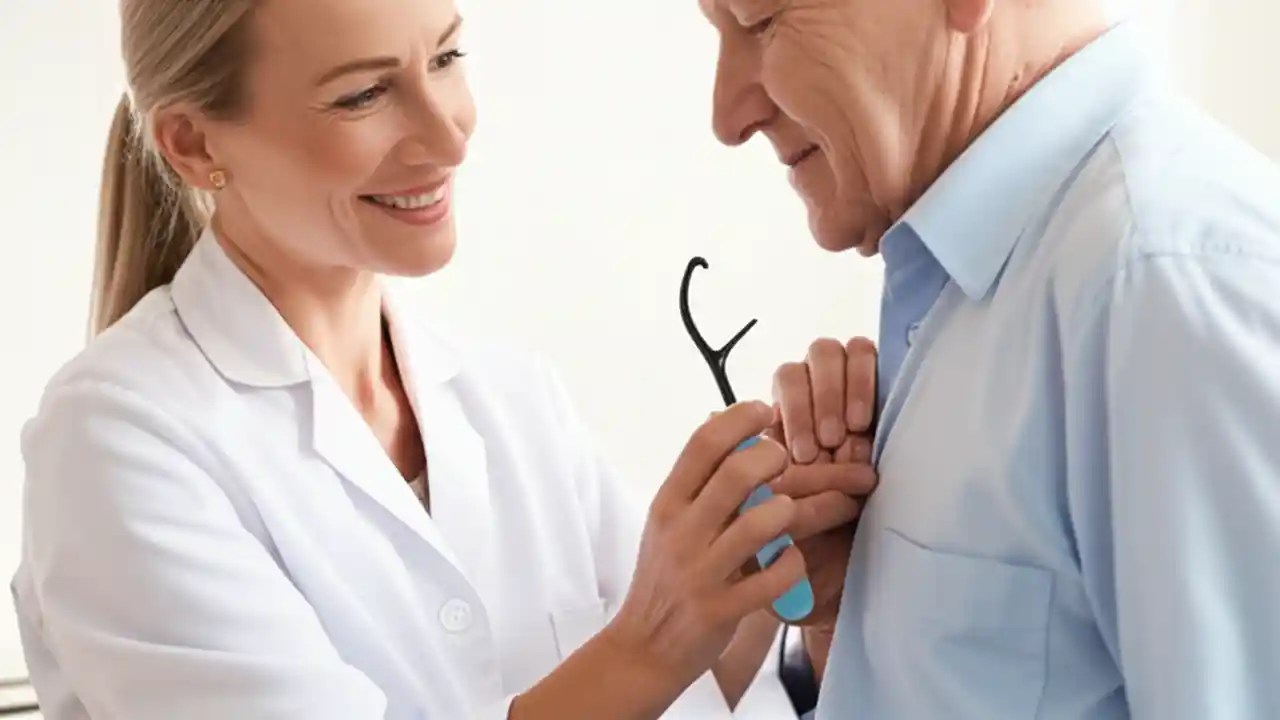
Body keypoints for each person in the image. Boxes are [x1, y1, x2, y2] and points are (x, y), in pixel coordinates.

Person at [10, 0, 881, 718]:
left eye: (446, 57)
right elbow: (646, 659)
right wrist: (650, 642)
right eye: (362, 95)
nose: (450, 136)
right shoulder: (116, 440)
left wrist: (777, 573)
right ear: (195, 145)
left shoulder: (511, 399)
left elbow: (696, 696)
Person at [699, 0, 1280, 717]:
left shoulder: (1159, 285)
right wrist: (856, 622)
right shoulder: (1000, 285)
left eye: (761, 21)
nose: (728, 116)